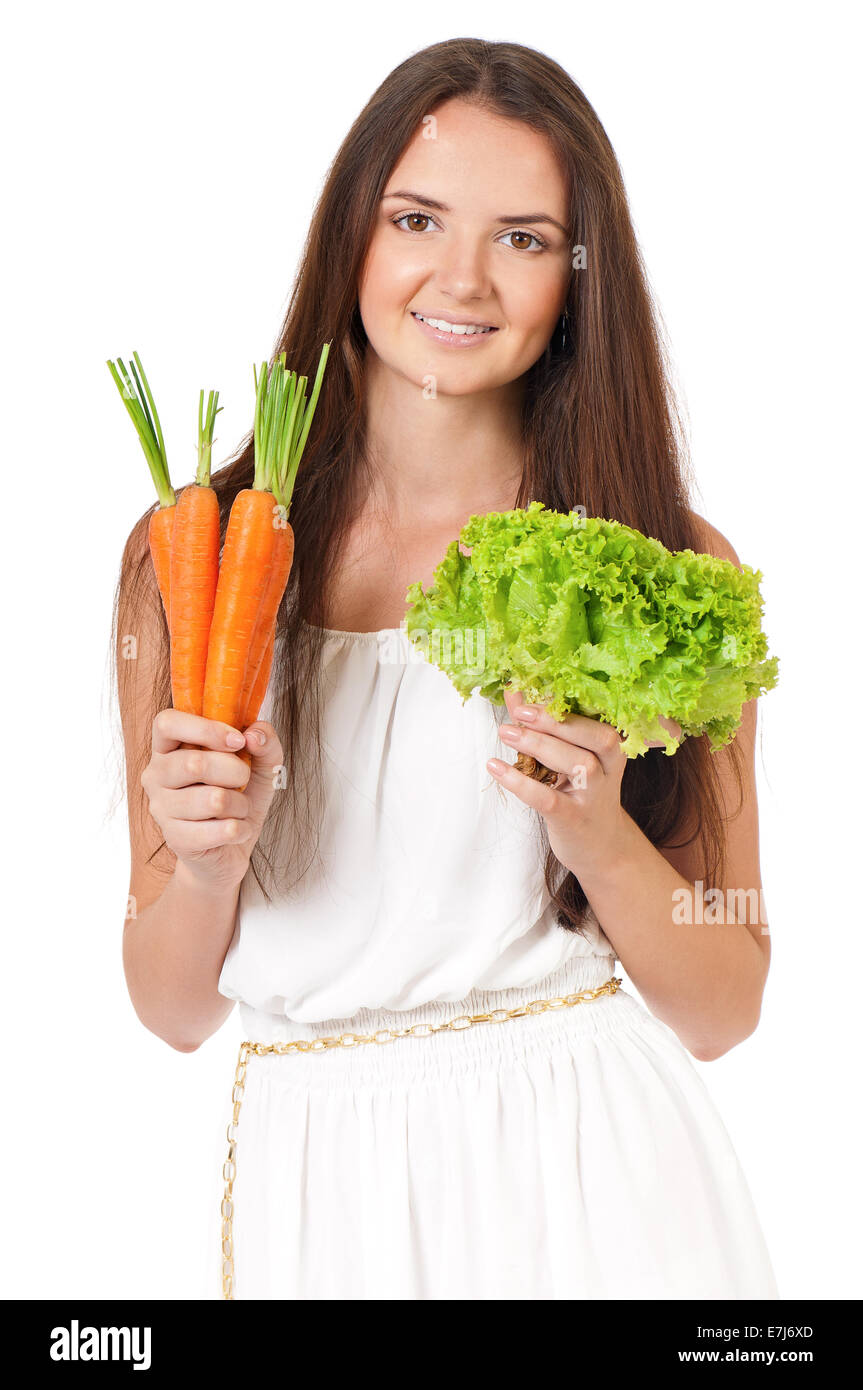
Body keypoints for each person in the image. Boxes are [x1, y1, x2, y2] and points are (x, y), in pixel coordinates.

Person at [113, 37, 779, 1300]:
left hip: (596, 1178)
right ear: (349, 236)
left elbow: (722, 1002)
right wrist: (205, 865)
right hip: (321, 1197)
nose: (460, 277)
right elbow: (171, 1005)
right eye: (415, 218)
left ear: (579, 280)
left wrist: (594, 827)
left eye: (525, 238)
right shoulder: (201, 559)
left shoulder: (660, 563)